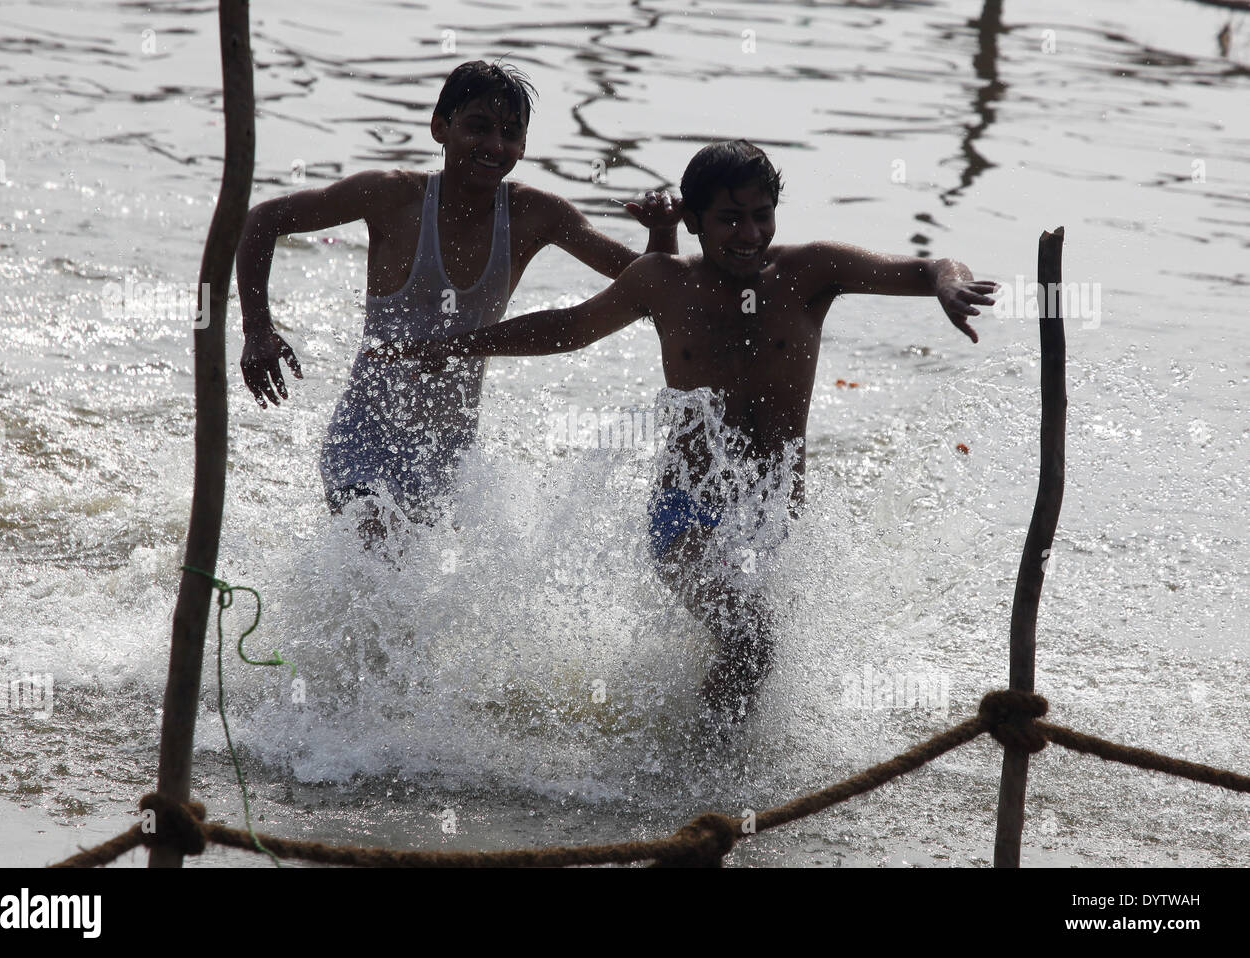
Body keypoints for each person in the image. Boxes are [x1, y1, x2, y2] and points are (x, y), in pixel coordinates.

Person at [382, 139, 997, 724]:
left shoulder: (810, 271)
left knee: (747, 649)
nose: (750, 235)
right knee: (751, 640)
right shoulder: (664, 282)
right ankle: (703, 781)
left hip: (774, 511)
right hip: (686, 508)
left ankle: (700, 755)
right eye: (730, 219)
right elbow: (568, 328)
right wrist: (457, 346)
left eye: (762, 216)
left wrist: (950, 284)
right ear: (696, 222)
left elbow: (926, 266)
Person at [236, 60, 681, 545]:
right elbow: (262, 219)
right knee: (378, 553)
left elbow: (652, 287)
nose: (494, 146)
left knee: (417, 601)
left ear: (524, 146)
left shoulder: (536, 215)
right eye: (477, 127)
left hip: (449, 455)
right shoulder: (392, 196)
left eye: (510, 133)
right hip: (364, 439)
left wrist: (663, 233)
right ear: (440, 128)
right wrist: (257, 329)